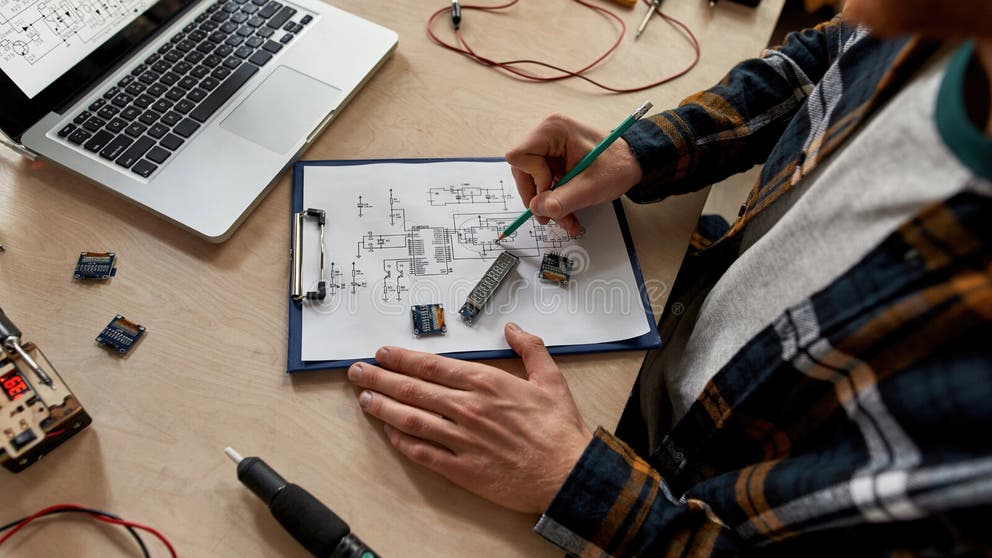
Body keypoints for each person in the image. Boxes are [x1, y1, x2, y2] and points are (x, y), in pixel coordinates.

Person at [347, 1, 992, 555]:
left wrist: (578, 482)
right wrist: (644, 149)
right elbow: (825, 56)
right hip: (676, 323)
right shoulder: (921, 23)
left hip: (678, 493)